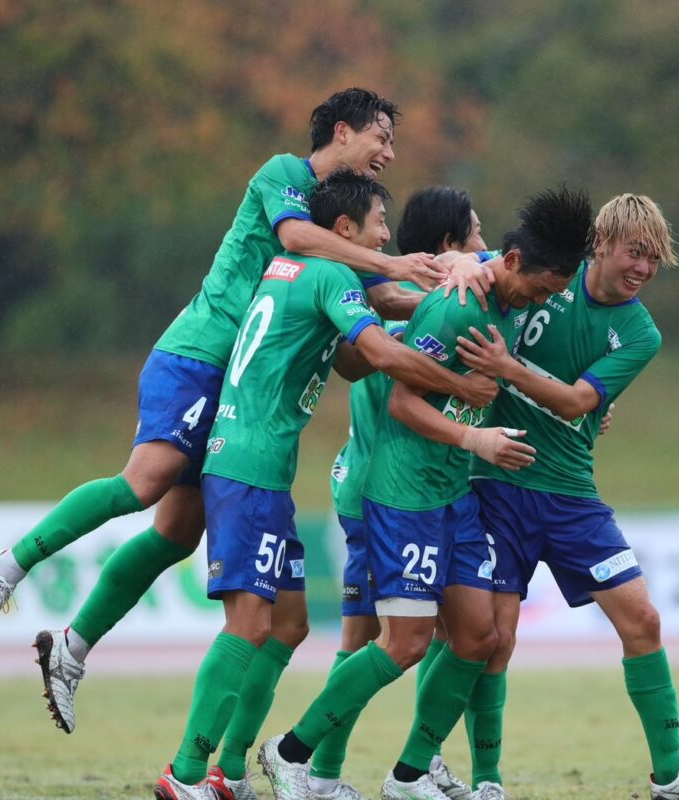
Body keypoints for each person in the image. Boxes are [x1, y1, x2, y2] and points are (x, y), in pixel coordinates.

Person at [0, 88, 491, 731]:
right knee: (144, 481)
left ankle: (71, 649)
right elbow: (300, 237)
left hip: (243, 389)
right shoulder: (285, 176)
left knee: (177, 531)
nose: (390, 152)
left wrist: (468, 272)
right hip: (201, 354)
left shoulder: (343, 239)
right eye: (382, 136)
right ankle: (7, 566)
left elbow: (389, 299)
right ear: (343, 132)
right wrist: (393, 263)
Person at [154, 170, 501, 800]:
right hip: (264, 469)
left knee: (289, 625)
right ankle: (189, 773)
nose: (384, 239)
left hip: (268, 468)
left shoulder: (291, 269)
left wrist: (439, 283)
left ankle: (236, 772)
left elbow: (353, 349)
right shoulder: (335, 276)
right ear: (343, 229)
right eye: (376, 225)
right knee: (256, 627)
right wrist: (464, 384)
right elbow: (383, 354)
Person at [257, 186, 595, 800]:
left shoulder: (503, 282)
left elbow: (499, 262)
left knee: (479, 637)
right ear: (515, 265)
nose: (540, 304)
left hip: (451, 495)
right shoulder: (452, 307)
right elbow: (404, 402)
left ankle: (410, 774)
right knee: (404, 643)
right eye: (541, 289)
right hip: (404, 493)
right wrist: (479, 442)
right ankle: (290, 751)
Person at [454, 194, 679, 800]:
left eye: (654, 260)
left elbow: (578, 403)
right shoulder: (546, 273)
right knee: (493, 641)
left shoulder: (641, 332)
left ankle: (671, 775)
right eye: (634, 253)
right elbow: (475, 265)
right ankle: (483, 782)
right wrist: (457, 263)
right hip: (498, 484)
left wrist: (509, 369)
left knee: (643, 619)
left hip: (570, 495)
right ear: (602, 245)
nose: (643, 269)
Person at [313, 185, 489, 800]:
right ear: (446, 245)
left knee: (452, 633)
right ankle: (316, 768)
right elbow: (357, 364)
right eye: (474, 235)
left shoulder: (429, 296)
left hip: (398, 488)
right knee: (377, 641)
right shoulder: (402, 304)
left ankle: (419, 758)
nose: (485, 246)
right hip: (378, 493)